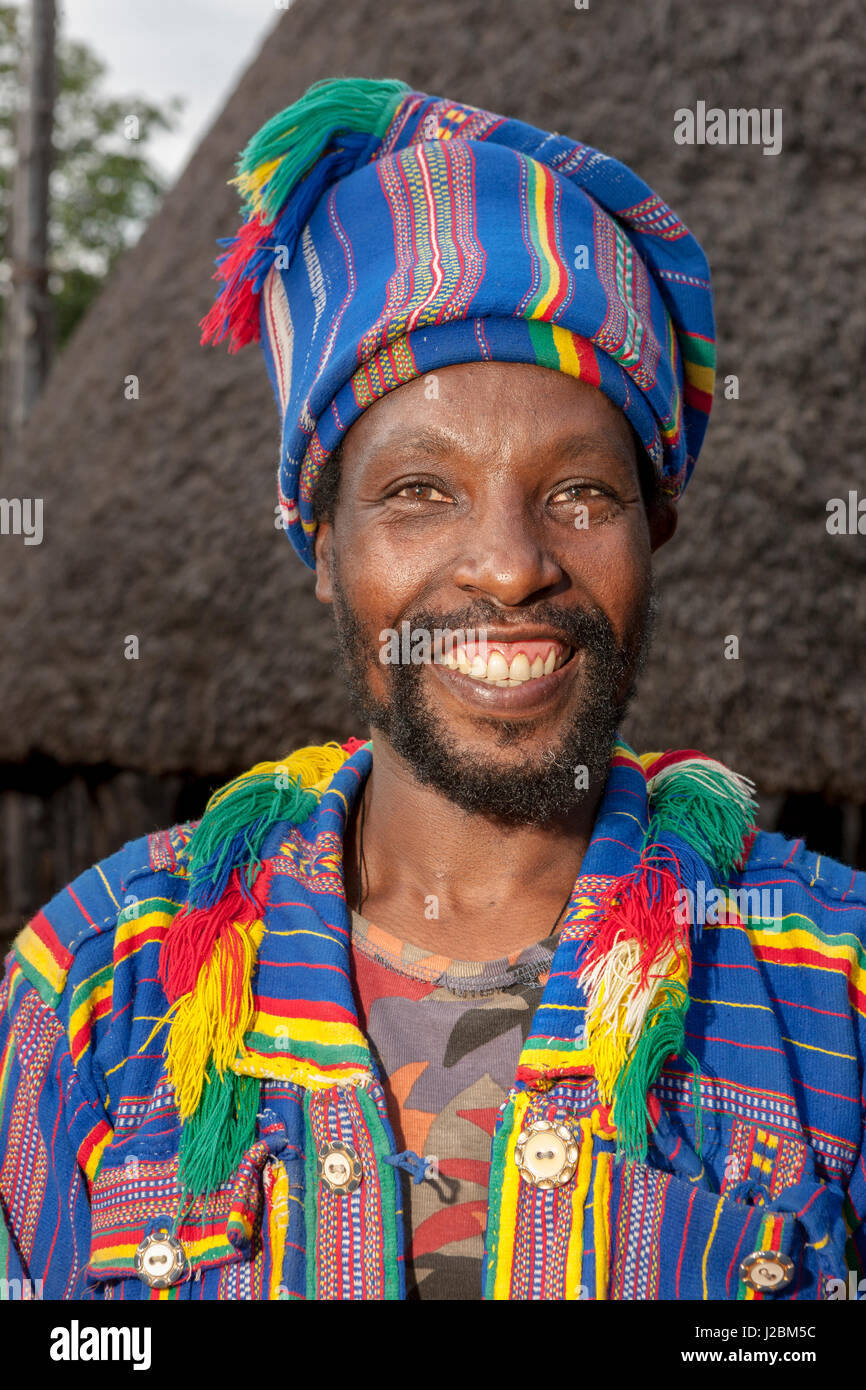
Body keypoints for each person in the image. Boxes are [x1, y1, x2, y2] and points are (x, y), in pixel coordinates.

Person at [2, 77, 864, 1303]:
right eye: (418, 492)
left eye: (580, 494)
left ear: (650, 532)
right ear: (324, 545)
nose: (511, 562)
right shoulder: (100, 992)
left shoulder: (829, 984)